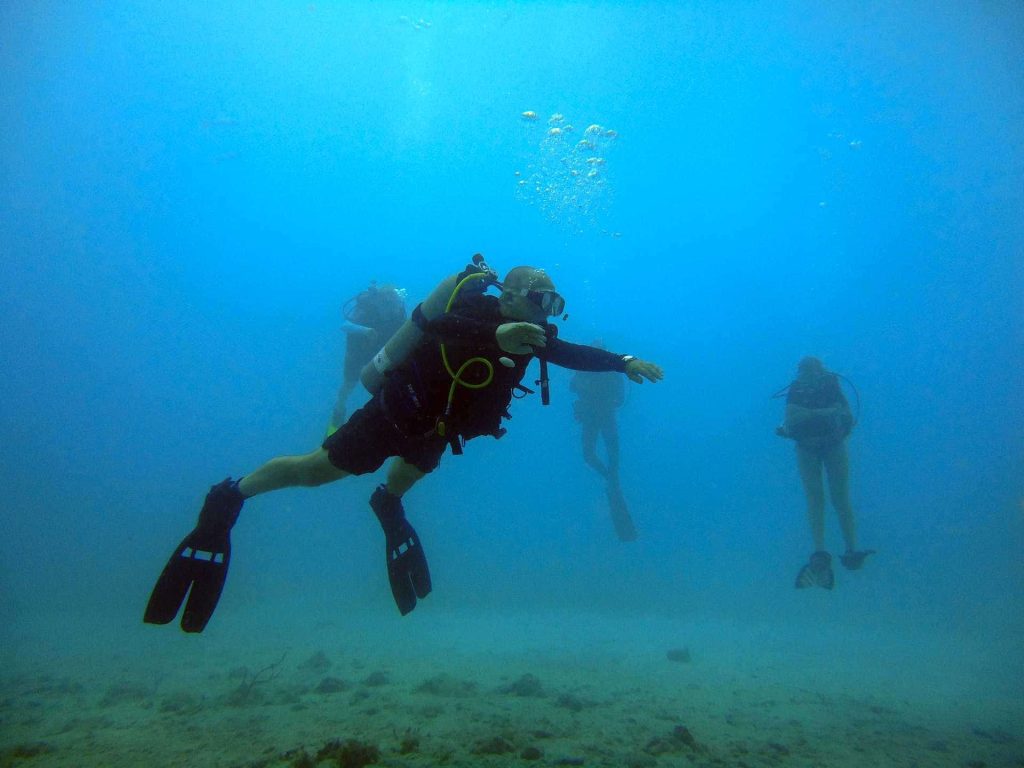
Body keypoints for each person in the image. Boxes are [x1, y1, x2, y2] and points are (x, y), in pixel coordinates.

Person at [145, 256, 664, 632]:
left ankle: (387, 505)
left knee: (402, 482)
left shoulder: (535, 333)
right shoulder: (478, 314)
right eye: (538, 299)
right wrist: (493, 338)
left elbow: (572, 353)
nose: (546, 313)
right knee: (316, 470)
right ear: (507, 295)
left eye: (553, 303)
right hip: (392, 416)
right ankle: (230, 495)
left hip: (437, 432)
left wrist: (622, 362)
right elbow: (440, 328)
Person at [775, 355, 874, 590]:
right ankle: (826, 550)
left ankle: (846, 547)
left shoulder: (830, 384)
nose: (808, 376)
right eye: (805, 372)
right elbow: (791, 418)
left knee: (836, 498)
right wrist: (825, 412)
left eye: (811, 371)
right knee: (819, 498)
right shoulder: (798, 389)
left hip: (828, 445)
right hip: (811, 446)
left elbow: (844, 414)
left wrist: (811, 414)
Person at [570, 346, 637, 541]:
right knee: (595, 455)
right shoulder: (596, 371)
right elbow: (619, 399)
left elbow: (574, 387)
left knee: (594, 455)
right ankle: (611, 479)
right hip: (600, 416)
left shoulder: (602, 372)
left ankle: (611, 478)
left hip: (599, 416)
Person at [327, 282, 407, 434]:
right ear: (384, 300)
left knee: (385, 385)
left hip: (378, 354)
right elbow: (345, 325)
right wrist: (365, 330)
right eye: (392, 303)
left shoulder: (398, 313)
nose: (395, 308)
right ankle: (338, 412)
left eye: (398, 302)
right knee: (348, 386)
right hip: (357, 354)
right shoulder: (368, 309)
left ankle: (384, 422)